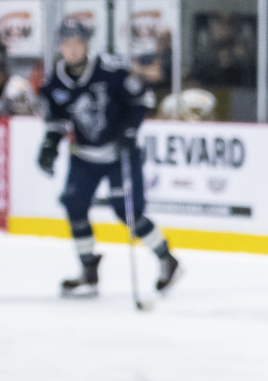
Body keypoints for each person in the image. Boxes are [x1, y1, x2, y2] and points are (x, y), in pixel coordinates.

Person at [37, 18, 181, 297]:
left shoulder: (111, 71)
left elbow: (141, 100)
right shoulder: (55, 82)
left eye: (78, 43)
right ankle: (88, 269)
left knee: (127, 211)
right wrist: (49, 146)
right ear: (60, 46)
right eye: (67, 43)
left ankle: (167, 259)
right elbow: (56, 121)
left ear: (86, 44)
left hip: (119, 154)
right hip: (84, 157)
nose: (73, 49)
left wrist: (129, 130)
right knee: (74, 205)